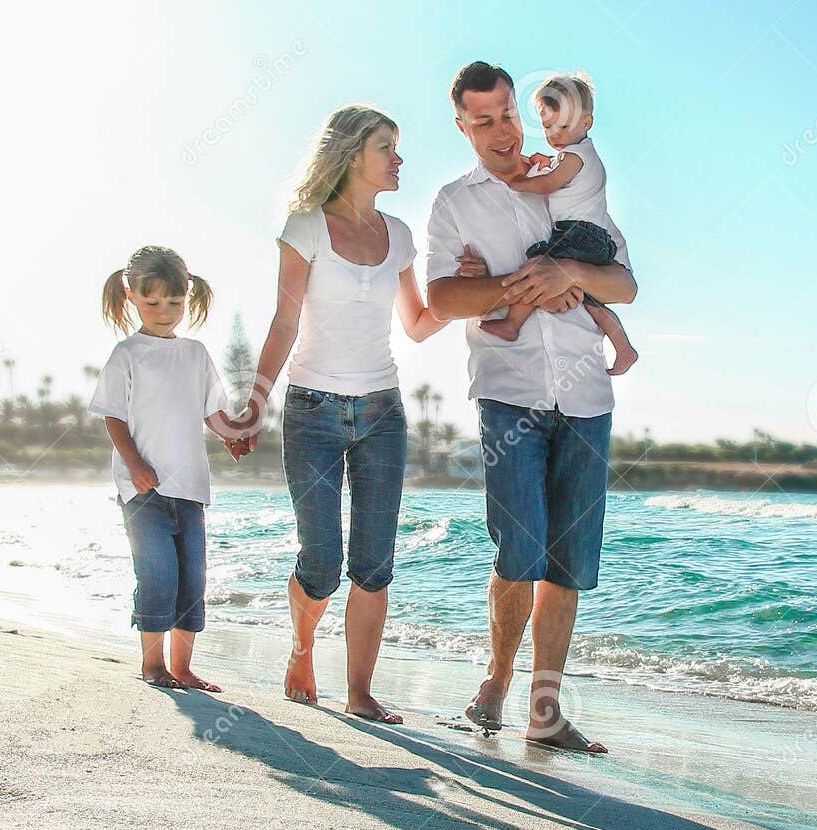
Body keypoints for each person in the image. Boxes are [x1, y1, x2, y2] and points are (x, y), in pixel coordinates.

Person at [236, 104, 480, 724]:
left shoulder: (399, 235)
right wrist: (255, 404)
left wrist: (466, 288)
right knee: (320, 564)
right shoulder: (306, 227)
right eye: (386, 147)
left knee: (373, 564)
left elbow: (418, 323)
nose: (398, 159)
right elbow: (285, 321)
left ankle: (360, 692)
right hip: (312, 410)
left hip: (382, 413)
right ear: (351, 155)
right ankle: (301, 649)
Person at [425, 62, 638, 754]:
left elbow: (625, 284)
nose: (502, 131)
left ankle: (545, 712)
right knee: (519, 549)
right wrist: (515, 284)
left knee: (568, 560)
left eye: (508, 114)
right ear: (463, 126)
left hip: (586, 396)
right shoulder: (454, 203)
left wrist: (569, 271)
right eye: (483, 120)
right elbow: (441, 299)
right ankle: (496, 679)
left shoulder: (569, 176)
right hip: (508, 391)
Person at [91, 245, 245, 692]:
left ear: (188, 295)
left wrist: (233, 435)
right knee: (157, 574)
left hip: (190, 489)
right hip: (143, 491)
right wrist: (134, 464)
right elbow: (113, 416)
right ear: (132, 297)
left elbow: (213, 411)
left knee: (191, 580)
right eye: (153, 302)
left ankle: (183, 667)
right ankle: (152, 664)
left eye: (174, 302)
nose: (164, 312)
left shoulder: (196, 353)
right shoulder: (127, 353)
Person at [477, 72, 637, 377]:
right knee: (590, 300)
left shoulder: (575, 156)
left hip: (578, 233)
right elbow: (557, 173)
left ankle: (512, 323)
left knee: (538, 265)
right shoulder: (578, 155)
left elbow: (549, 183)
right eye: (547, 127)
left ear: (587, 123)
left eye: (563, 126)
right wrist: (548, 162)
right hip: (593, 239)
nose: (554, 135)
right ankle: (624, 347)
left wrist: (518, 182)